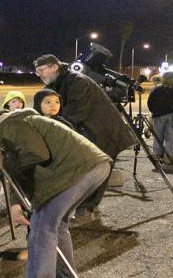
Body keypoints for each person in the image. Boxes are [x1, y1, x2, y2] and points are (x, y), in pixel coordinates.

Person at [0, 108, 111, 278]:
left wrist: (5, 163)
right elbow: (29, 163)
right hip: (94, 166)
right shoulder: (29, 120)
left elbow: (35, 155)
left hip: (75, 171)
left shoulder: (8, 125)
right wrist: (16, 202)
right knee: (58, 224)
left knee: (42, 226)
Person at [35, 54, 136, 215]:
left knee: (97, 169)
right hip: (93, 132)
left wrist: (52, 130)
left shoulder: (77, 81)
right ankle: (84, 205)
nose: (39, 74)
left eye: (41, 70)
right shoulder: (60, 83)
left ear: (54, 67)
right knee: (92, 167)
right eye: (37, 72)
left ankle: (87, 207)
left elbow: (74, 113)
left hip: (106, 133)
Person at [0, 90, 27, 210]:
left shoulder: (25, 116)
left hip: (16, 152)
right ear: (8, 104)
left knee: (13, 178)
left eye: (20, 102)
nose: (17, 104)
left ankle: (12, 202)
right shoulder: (1, 116)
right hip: (1, 151)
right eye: (13, 101)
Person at [146, 70, 173, 164]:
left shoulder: (158, 89)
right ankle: (169, 157)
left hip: (159, 115)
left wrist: (154, 111)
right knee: (170, 138)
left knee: (158, 137)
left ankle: (157, 156)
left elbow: (150, 102)